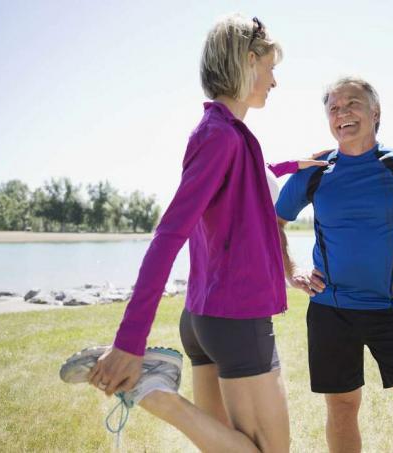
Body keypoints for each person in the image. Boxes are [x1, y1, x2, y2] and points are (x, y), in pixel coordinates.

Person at [65, 15, 327, 452]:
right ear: (247, 61)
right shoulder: (221, 137)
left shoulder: (229, 135)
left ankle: (153, 386)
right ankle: (152, 389)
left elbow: (250, 179)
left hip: (207, 317)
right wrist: (129, 341)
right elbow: (168, 236)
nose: (274, 82)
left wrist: (292, 165)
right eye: (270, 68)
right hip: (236, 319)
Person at [275, 76, 393, 453]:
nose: (342, 113)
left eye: (353, 104)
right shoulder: (313, 171)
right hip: (331, 312)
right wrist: (292, 270)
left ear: (375, 112)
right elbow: (274, 223)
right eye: (333, 108)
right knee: (343, 408)